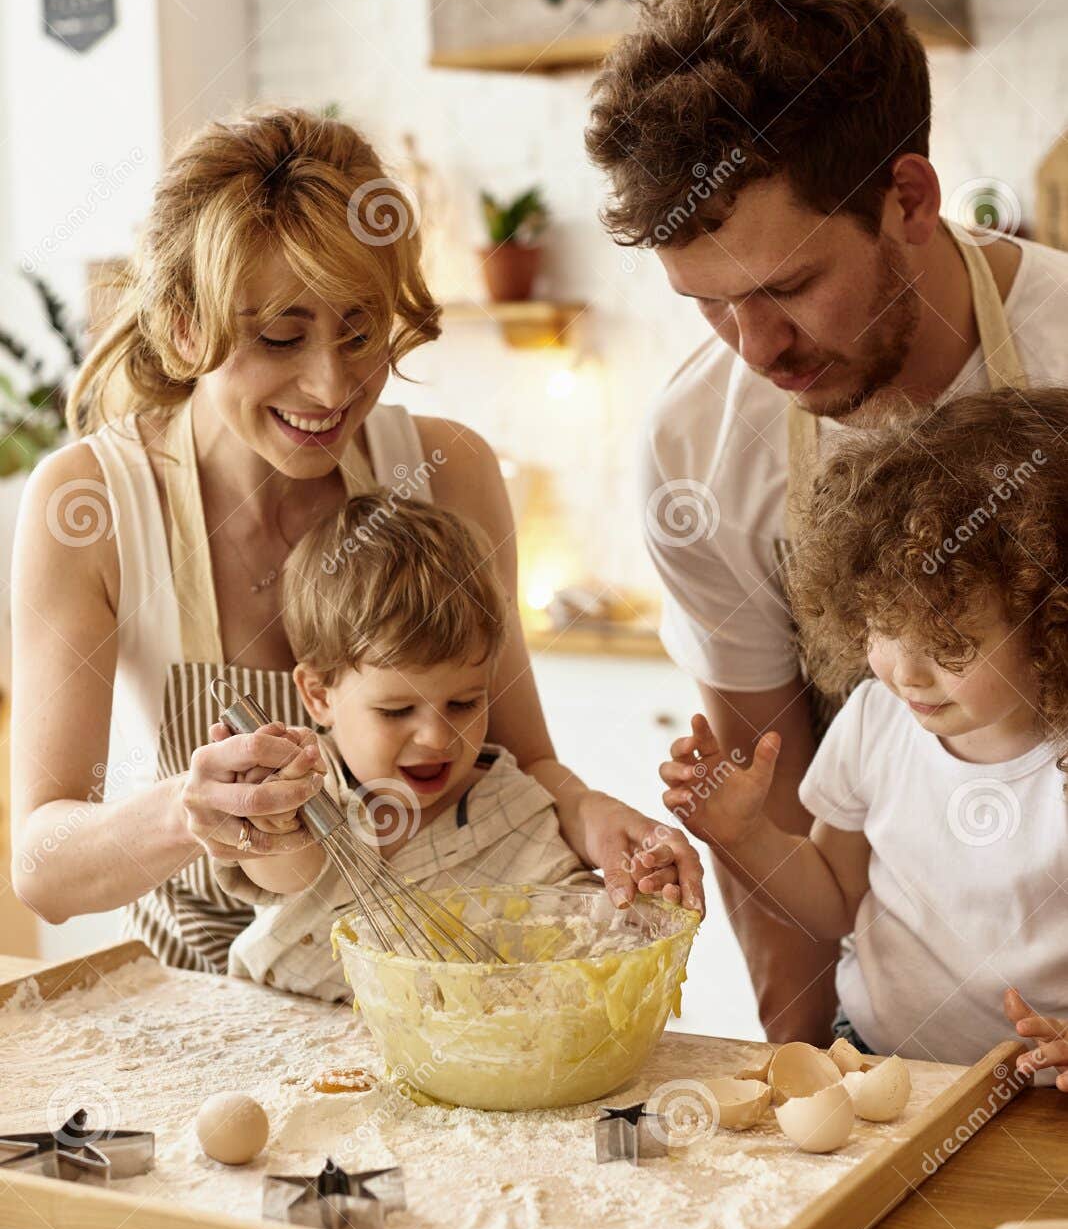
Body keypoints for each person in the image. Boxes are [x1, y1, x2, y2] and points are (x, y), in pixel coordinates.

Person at [11, 106, 701, 976]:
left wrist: (594, 814)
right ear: (187, 327)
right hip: (209, 1005)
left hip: (418, 986)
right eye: (280, 337)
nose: (332, 386)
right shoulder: (93, 504)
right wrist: (186, 812)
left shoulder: (448, 471)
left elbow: (521, 768)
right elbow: (41, 870)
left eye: (361, 332)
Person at [587, 0, 1068, 1044]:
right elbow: (783, 814)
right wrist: (804, 1092)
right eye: (707, 303)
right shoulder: (696, 449)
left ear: (908, 196)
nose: (755, 349)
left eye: (789, 286)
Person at [659, 387, 1068, 1067]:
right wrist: (745, 834)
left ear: (1052, 623)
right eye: (882, 626)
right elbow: (834, 903)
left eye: (949, 643)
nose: (904, 674)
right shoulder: (879, 721)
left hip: (1043, 1093)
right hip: (881, 1058)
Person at [219, 492, 613, 999]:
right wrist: (273, 818)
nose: (437, 738)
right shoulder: (305, 789)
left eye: (465, 703)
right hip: (279, 1037)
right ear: (318, 695)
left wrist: (623, 899)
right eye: (396, 711)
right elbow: (283, 871)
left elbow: (576, 919)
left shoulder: (511, 807)